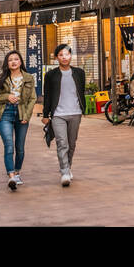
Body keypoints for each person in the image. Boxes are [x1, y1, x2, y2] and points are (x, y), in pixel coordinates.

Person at [0, 50, 36, 191]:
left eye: (16, 59)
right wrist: (6, 97)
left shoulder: (28, 78)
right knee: (9, 146)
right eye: (10, 60)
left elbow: (33, 98)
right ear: (7, 63)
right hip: (6, 113)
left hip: (22, 114)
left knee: (20, 148)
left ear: (21, 62)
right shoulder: (1, 78)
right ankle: (11, 176)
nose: (14, 61)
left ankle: (17, 173)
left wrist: (27, 116)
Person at [42, 44, 86, 187]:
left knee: (72, 144)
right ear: (56, 58)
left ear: (71, 56)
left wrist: (82, 108)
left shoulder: (79, 73)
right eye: (61, 55)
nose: (64, 57)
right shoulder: (50, 75)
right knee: (62, 143)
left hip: (75, 113)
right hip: (58, 114)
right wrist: (45, 114)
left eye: (66, 54)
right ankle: (64, 172)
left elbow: (81, 91)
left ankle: (68, 167)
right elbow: (47, 96)